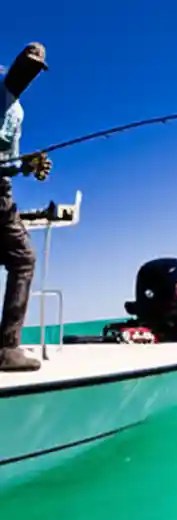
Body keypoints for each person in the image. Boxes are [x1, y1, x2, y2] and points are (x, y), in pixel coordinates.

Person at [0, 42, 52, 371]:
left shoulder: (17, 113)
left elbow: (9, 163)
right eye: (27, 65)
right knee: (22, 259)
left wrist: (27, 165)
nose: (29, 73)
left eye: (36, 70)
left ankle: (7, 348)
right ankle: (6, 349)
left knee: (22, 259)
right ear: (16, 63)